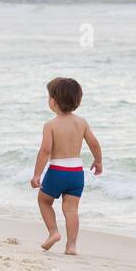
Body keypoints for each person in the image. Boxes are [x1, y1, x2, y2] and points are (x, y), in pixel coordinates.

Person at [30, 77, 103, 255]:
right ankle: (71, 246)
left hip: (57, 171)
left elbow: (45, 150)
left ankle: (54, 232)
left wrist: (37, 174)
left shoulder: (51, 125)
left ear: (53, 101)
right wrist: (98, 161)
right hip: (76, 173)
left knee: (44, 201)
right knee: (71, 209)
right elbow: (94, 143)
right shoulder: (82, 123)